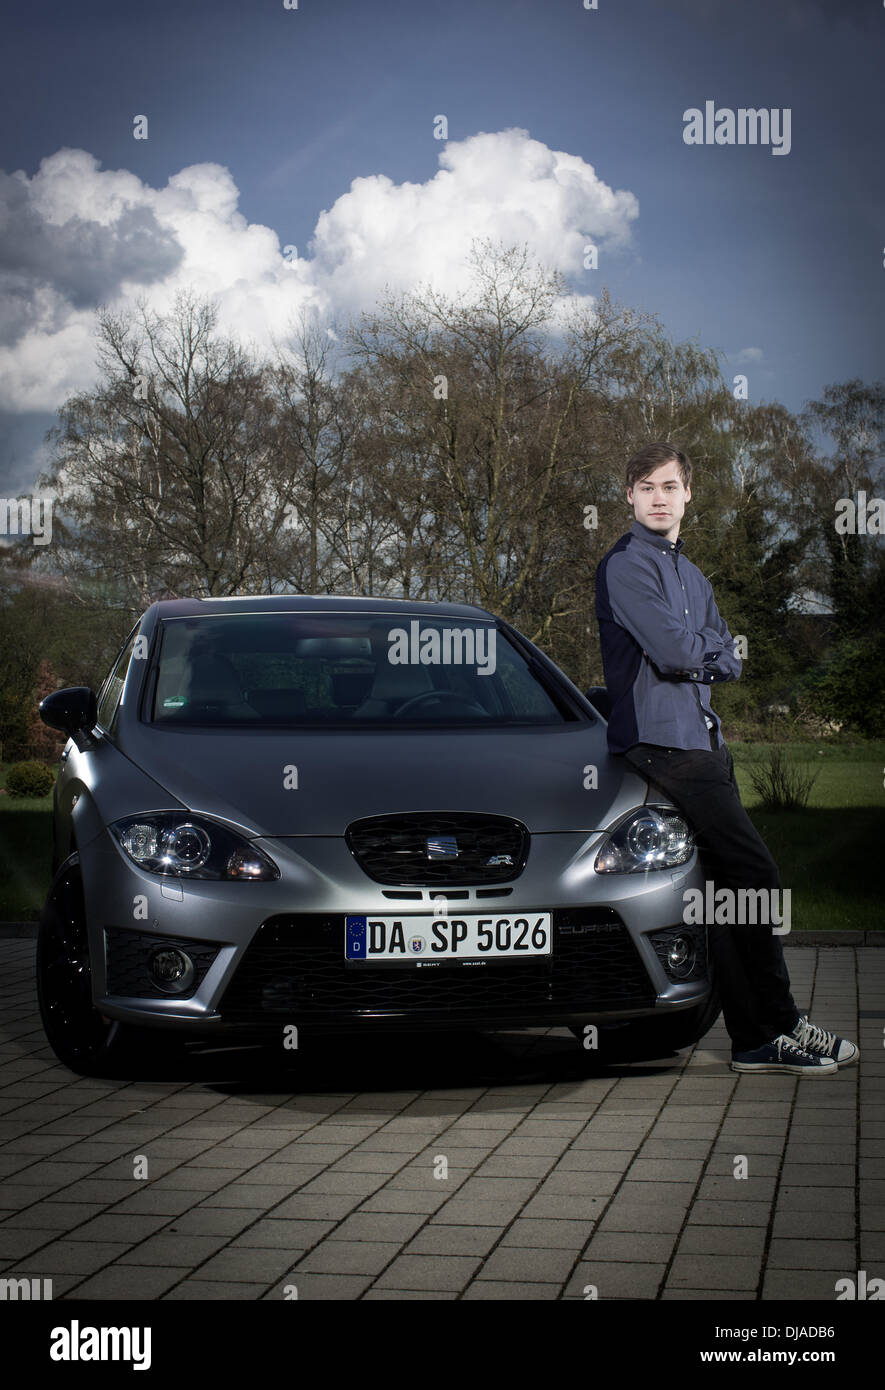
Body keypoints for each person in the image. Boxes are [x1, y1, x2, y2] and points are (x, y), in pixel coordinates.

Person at [594, 441, 859, 1075]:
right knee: (758, 874)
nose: (659, 497)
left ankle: (755, 1039)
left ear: (689, 494)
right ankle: (785, 1020)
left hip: (704, 742)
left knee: (722, 893)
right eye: (647, 487)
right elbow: (678, 653)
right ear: (629, 496)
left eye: (670, 486)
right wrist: (703, 650)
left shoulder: (693, 575)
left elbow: (727, 656)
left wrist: (705, 650)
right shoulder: (626, 566)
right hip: (662, 746)